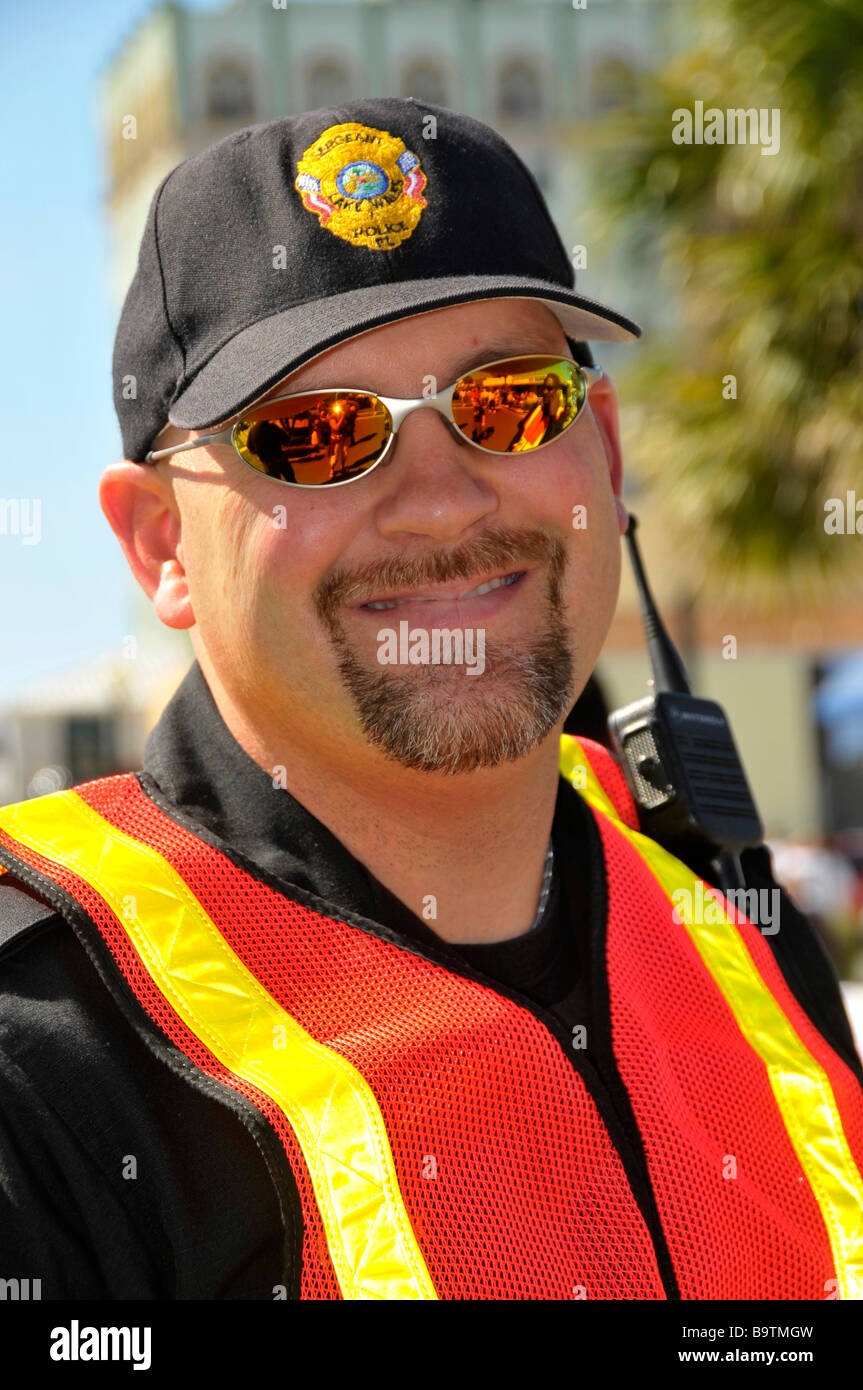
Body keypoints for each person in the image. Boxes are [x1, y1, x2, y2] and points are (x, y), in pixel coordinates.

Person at [1, 97, 861, 1302]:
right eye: (314, 435)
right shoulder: (42, 1050)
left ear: (603, 459)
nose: (445, 502)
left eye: (505, 401)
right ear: (160, 547)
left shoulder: (727, 911)